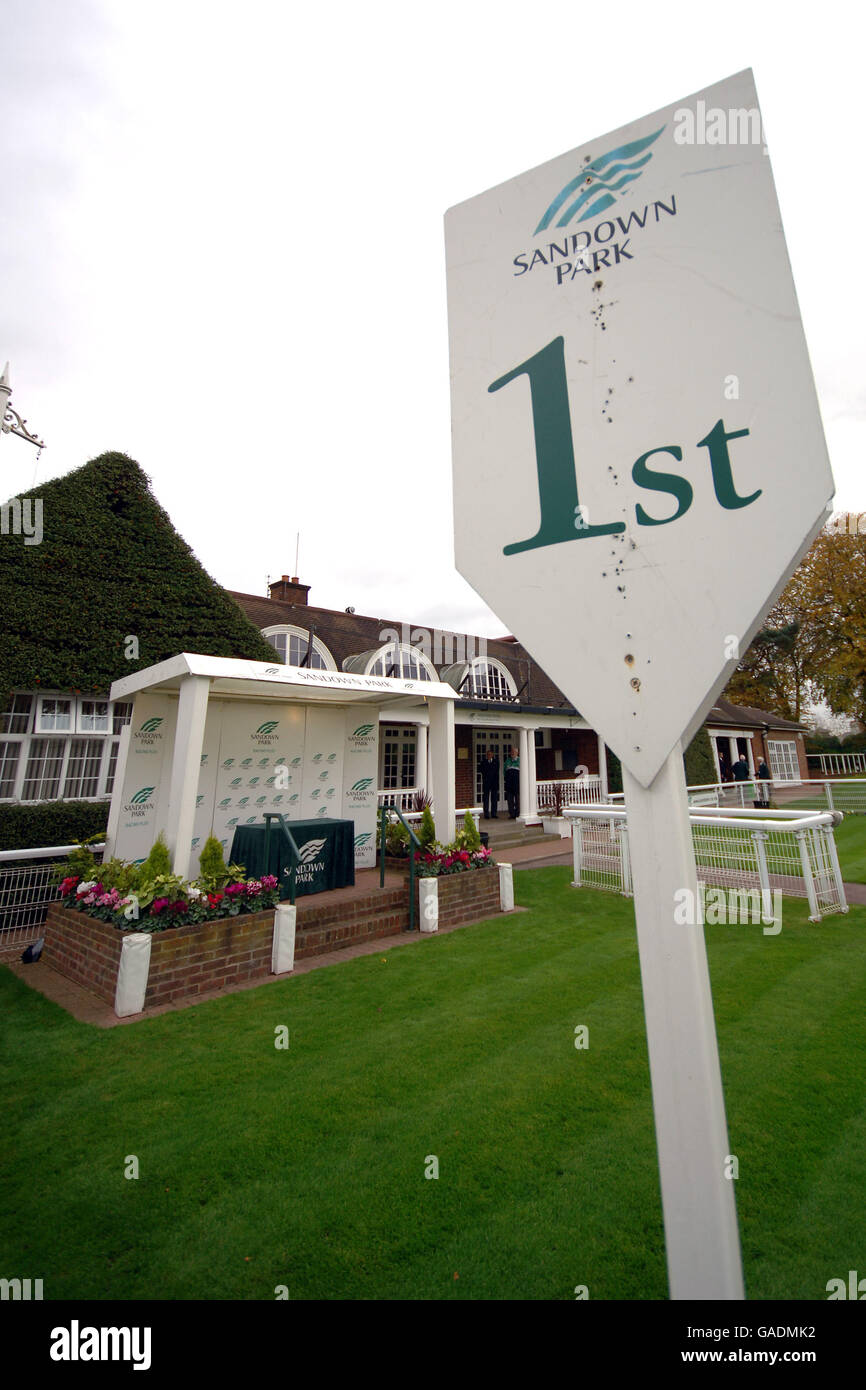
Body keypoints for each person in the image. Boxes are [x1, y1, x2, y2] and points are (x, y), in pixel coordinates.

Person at [480, 749, 500, 819]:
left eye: (490, 754)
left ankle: (494, 813)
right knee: (486, 799)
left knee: (494, 799)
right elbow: (482, 770)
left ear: (492, 755)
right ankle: (486, 814)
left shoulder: (496, 762)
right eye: (488, 754)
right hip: (486, 782)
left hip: (494, 783)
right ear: (486, 755)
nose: (489, 755)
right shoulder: (483, 762)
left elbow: (496, 771)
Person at [504, 745, 520, 819]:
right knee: (510, 800)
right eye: (511, 752)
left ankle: (517, 813)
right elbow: (504, 771)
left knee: (518, 799)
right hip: (509, 783)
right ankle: (512, 814)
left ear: (517, 753)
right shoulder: (507, 761)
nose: (512, 753)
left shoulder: (520, 760)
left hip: (517, 783)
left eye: (514, 752)